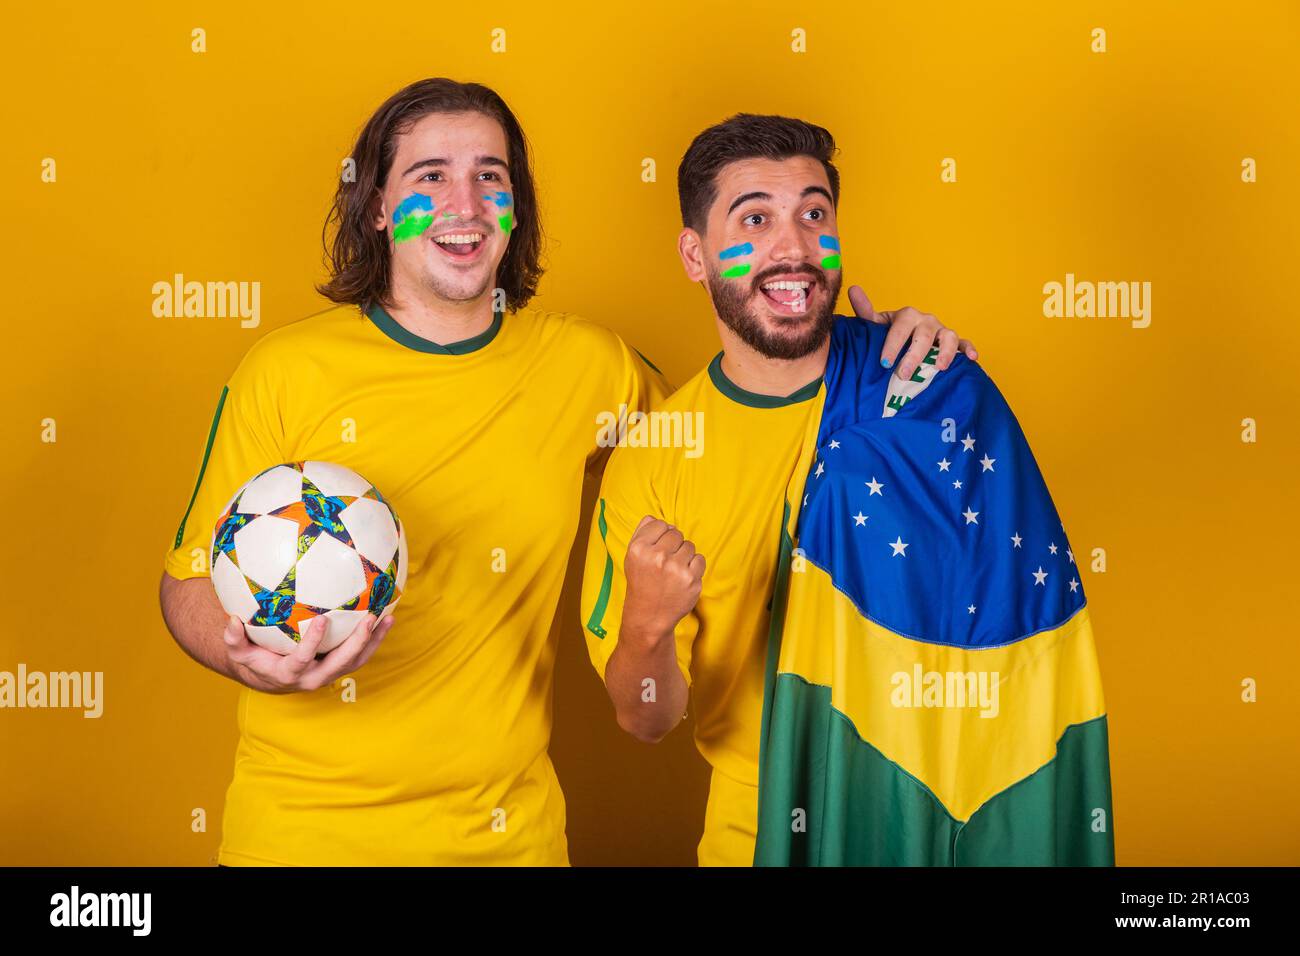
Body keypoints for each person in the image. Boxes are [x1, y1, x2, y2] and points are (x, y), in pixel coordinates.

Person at [159, 80, 972, 866]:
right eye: (430, 177)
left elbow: (745, 414)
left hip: (509, 843)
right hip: (298, 842)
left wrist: (888, 353)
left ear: (516, 207)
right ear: (376, 206)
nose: (465, 203)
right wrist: (240, 656)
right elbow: (187, 582)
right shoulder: (285, 370)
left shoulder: (590, 368)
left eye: (490, 177)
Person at [580, 113, 1108, 867]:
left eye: (814, 214)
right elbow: (647, 721)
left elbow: (1010, 616)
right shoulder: (658, 458)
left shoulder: (924, 389)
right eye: (754, 218)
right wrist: (647, 625)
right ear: (695, 256)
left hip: (925, 814)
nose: (793, 247)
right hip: (756, 832)